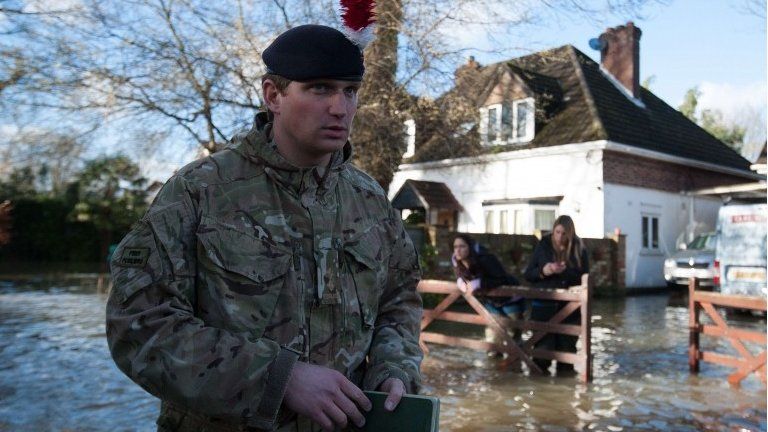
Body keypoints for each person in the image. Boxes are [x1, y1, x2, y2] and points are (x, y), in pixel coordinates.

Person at [106, 22, 423, 432]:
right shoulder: (200, 192)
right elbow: (138, 326)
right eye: (320, 88)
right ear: (274, 95)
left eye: (350, 91)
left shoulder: (370, 199)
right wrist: (277, 378)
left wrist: (393, 367)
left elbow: (398, 299)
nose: (340, 108)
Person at [523, 215, 589, 374]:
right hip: (544, 305)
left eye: (564, 233)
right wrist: (544, 271)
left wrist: (565, 271)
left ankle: (565, 393)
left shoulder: (579, 248)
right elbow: (528, 274)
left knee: (566, 355)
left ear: (570, 233)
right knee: (542, 354)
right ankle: (539, 390)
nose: (560, 237)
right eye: (557, 232)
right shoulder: (544, 244)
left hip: (569, 309)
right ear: (553, 231)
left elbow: (585, 277)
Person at [451, 234, 523, 358]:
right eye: (455, 246)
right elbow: (460, 275)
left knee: (513, 336)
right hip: (490, 301)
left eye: (462, 246)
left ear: (470, 247)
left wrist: (479, 283)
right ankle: (494, 369)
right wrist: (460, 281)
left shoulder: (486, 258)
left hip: (511, 299)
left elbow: (501, 279)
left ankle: (516, 367)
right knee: (492, 339)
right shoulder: (456, 260)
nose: (458, 250)